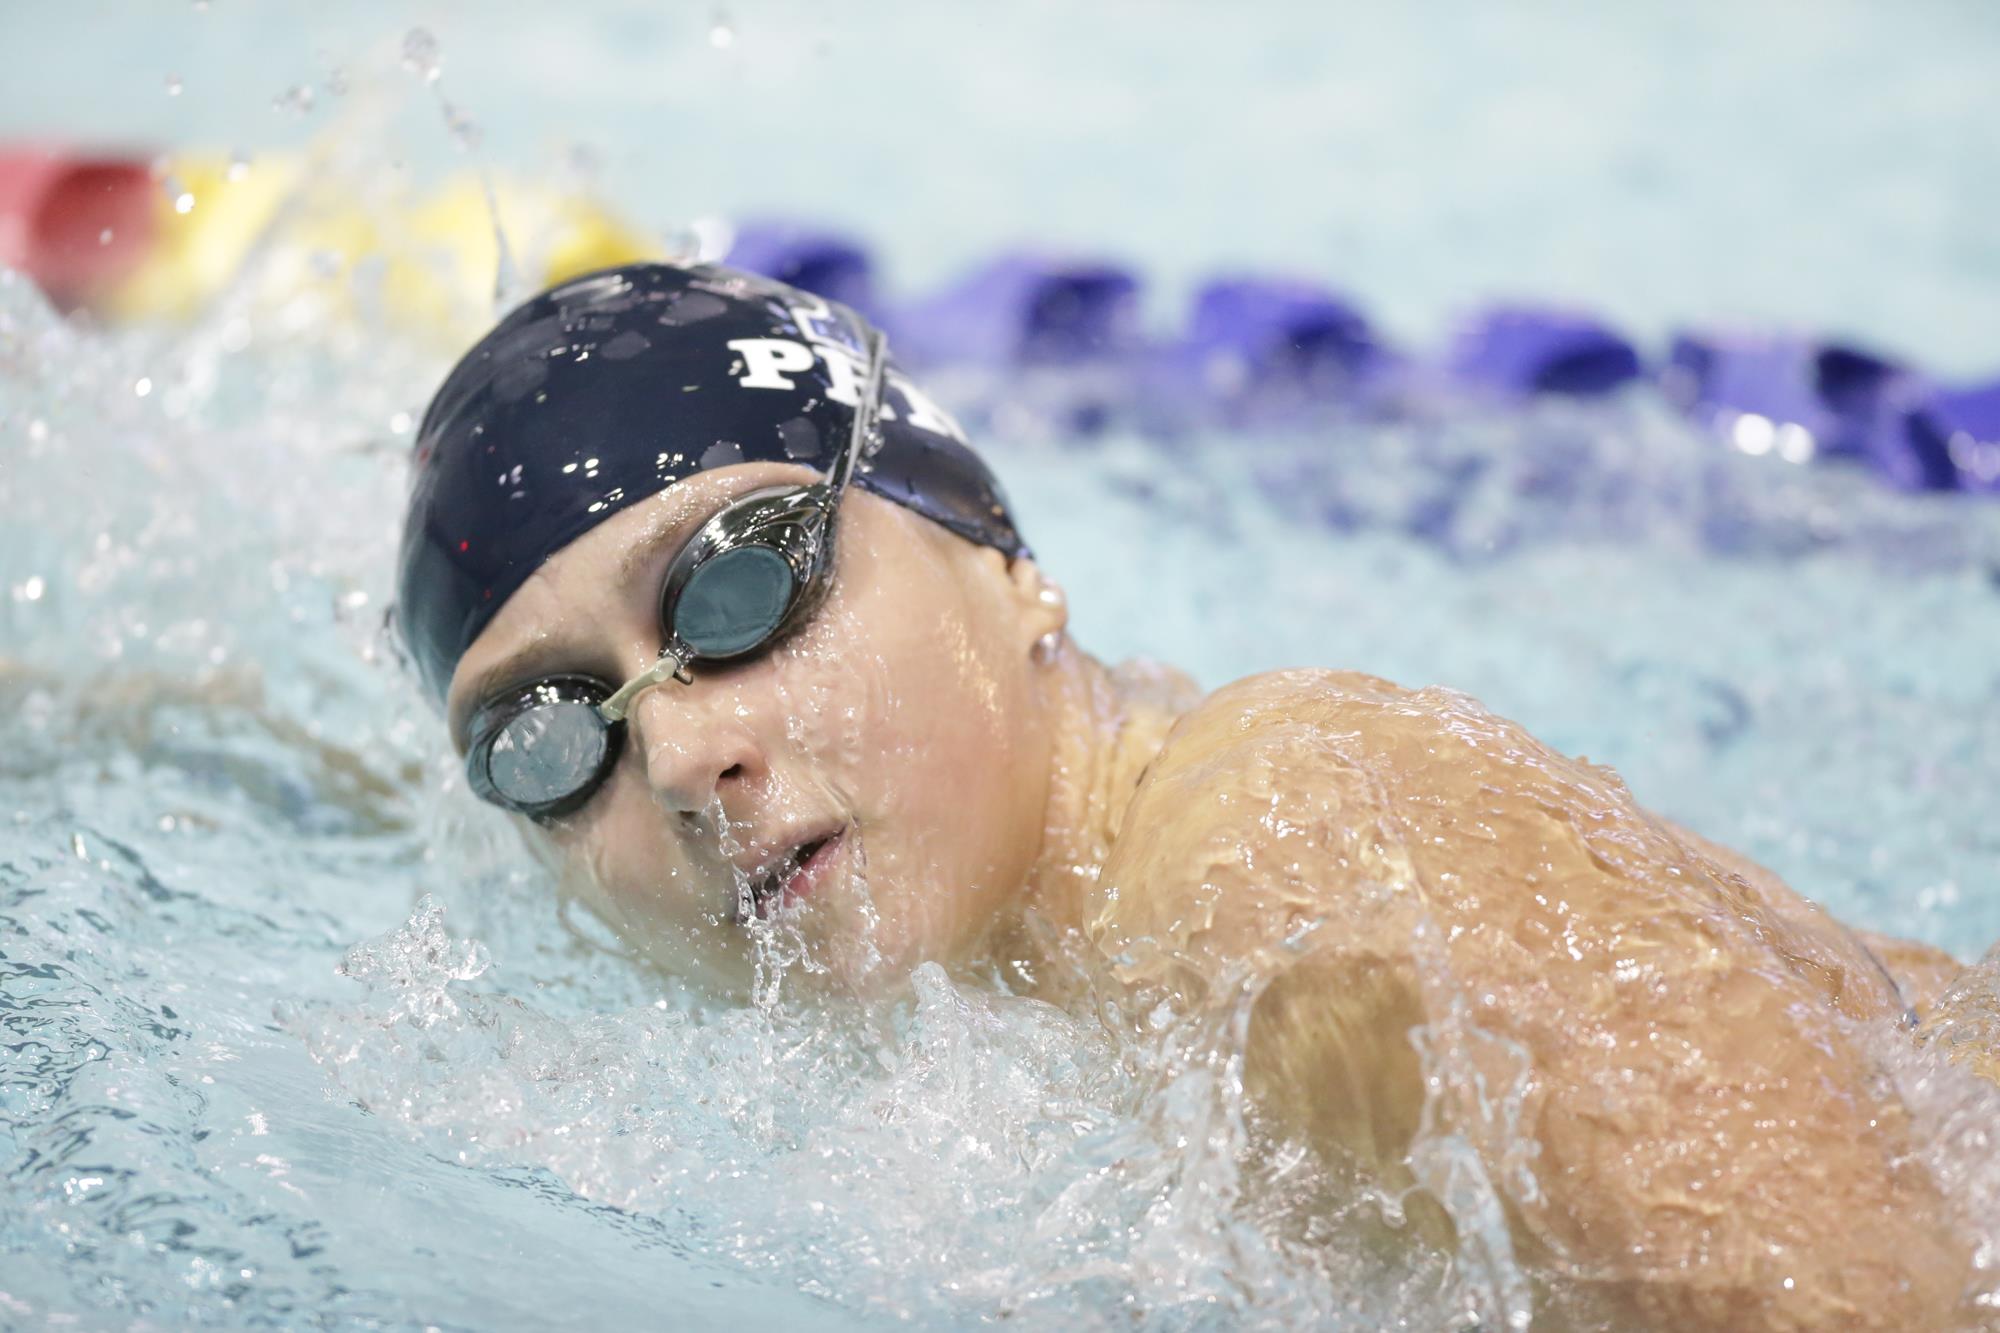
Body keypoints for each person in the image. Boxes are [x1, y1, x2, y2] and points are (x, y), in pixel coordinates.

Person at [396, 261, 1986, 1330]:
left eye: (736, 589)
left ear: (1003, 563)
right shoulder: (1053, 947)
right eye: (547, 737)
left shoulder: (1292, 855)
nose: (676, 759)